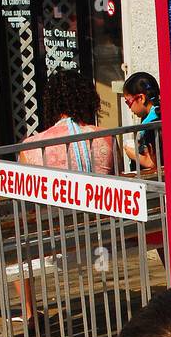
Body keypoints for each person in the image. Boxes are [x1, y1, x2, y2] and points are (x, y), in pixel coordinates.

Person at [15, 69, 110, 323]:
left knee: (13, 238)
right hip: (105, 234)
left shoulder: (31, 147)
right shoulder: (106, 139)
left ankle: (27, 311)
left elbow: (24, 206)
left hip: (54, 242)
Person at [121, 70, 160, 173]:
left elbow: (152, 163)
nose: (129, 107)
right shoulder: (157, 116)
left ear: (141, 98)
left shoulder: (152, 125)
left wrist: (132, 153)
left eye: (128, 102)